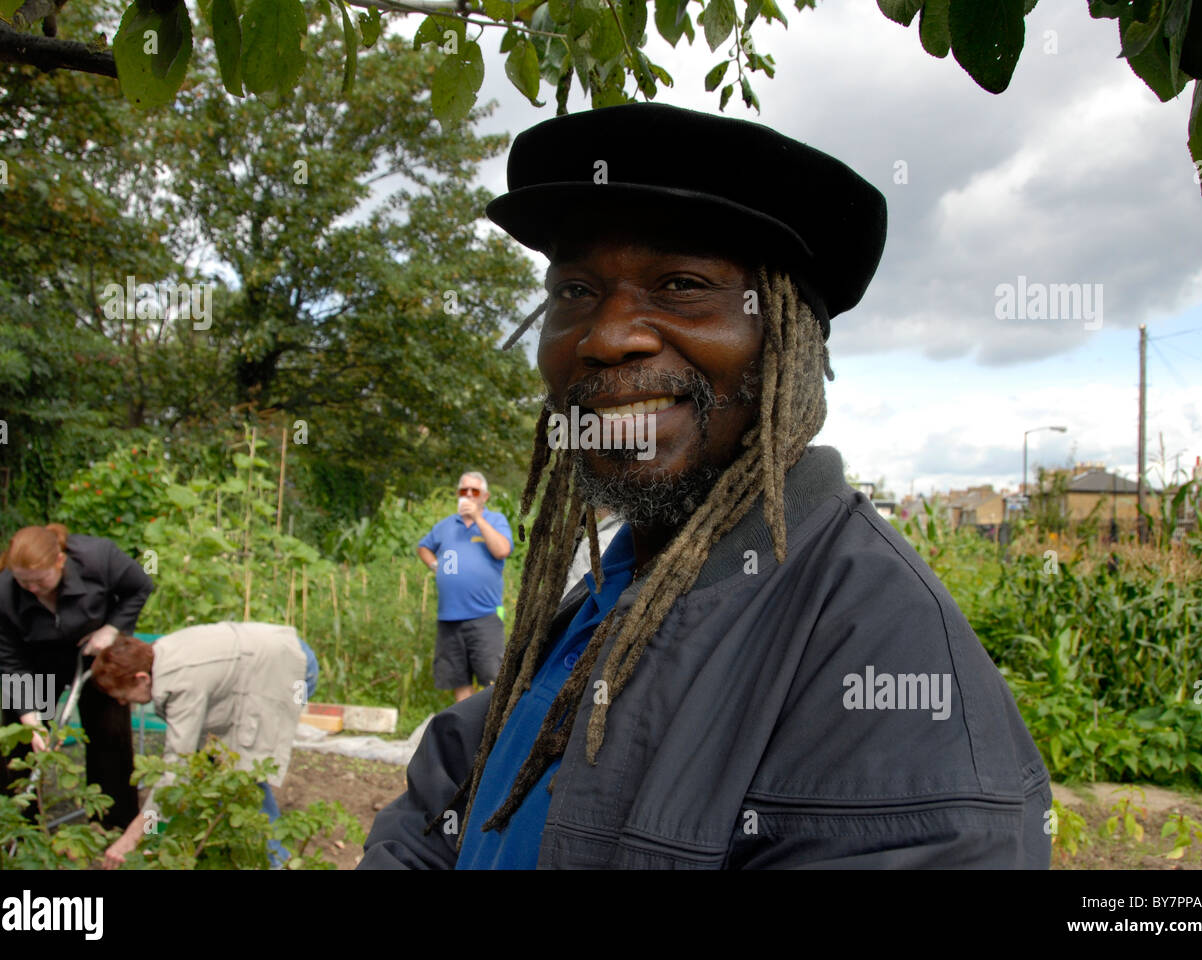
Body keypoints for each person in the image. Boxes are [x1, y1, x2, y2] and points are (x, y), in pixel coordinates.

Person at [361, 102, 1052, 870]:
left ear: (785, 339)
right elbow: (453, 782)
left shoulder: (882, 654)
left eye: (682, 284)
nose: (607, 335)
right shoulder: (616, 585)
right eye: (576, 292)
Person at [90, 622, 318, 868]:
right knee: (215, 766)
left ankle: (276, 862)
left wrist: (132, 838)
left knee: (243, 777)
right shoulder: (158, 657)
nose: (123, 703)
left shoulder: (182, 683)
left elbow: (175, 774)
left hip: (294, 671)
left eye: (122, 695)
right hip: (266, 660)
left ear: (142, 678)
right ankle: (223, 849)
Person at [0, 523, 152, 830]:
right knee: (19, 744)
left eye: (39, 581)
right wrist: (31, 722)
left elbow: (140, 586)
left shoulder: (99, 557)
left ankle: (111, 828)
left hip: (95, 656)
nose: (32, 589)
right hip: (35, 666)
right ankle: (11, 832)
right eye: (24, 582)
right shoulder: (1, 593)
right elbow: (11, 661)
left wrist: (111, 629)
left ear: (60, 562)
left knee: (110, 737)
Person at [417, 472, 514, 702]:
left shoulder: (495, 520)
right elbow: (423, 546)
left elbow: (502, 550)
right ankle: (466, 733)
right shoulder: (445, 526)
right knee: (458, 681)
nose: (468, 495)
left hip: (484, 616)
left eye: (474, 491)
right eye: (464, 490)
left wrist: (478, 519)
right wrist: (433, 565)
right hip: (449, 616)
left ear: (485, 496)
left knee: (492, 680)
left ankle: (491, 733)